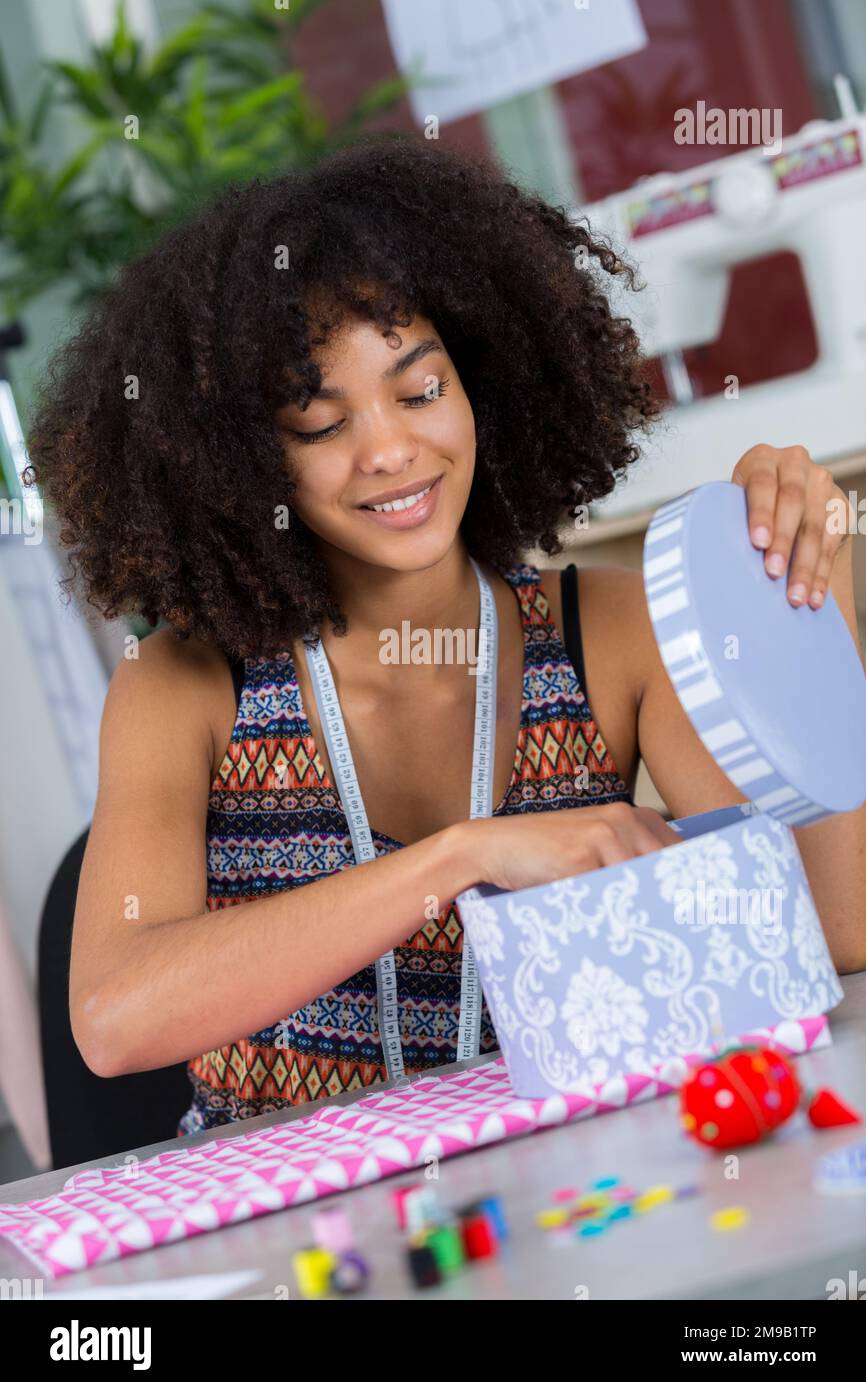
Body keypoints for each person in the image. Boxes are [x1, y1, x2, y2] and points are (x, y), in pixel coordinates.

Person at [27, 135, 866, 1136]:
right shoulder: (186, 685)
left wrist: (799, 588)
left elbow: (833, 931)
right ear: (240, 462)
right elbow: (114, 1021)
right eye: (318, 423)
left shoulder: (607, 632)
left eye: (421, 391)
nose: (390, 449)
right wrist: (457, 858)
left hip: (568, 1194)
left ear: (483, 385)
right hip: (304, 1245)